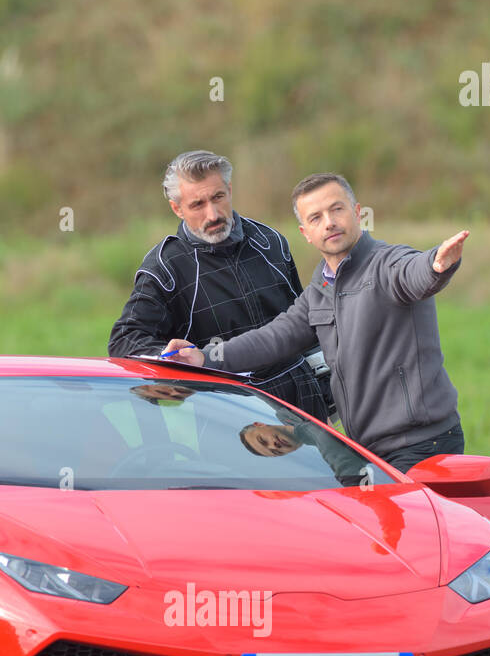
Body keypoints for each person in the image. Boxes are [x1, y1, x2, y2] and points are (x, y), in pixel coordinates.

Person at [165, 172, 469, 473]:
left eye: (337, 209)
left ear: (357, 213)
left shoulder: (386, 263)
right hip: (366, 450)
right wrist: (205, 357)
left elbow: (413, 273)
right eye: (316, 217)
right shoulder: (321, 290)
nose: (329, 222)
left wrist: (436, 265)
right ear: (305, 233)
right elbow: (274, 338)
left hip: (422, 445)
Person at [108, 150, 332, 422]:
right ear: (177, 208)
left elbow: (304, 324)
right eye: (197, 204)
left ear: (229, 189)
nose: (212, 214)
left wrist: (326, 392)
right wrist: (167, 356)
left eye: (218, 197)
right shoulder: (165, 267)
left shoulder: (269, 241)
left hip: (303, 403)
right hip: (226, 415)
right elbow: (124, 339)